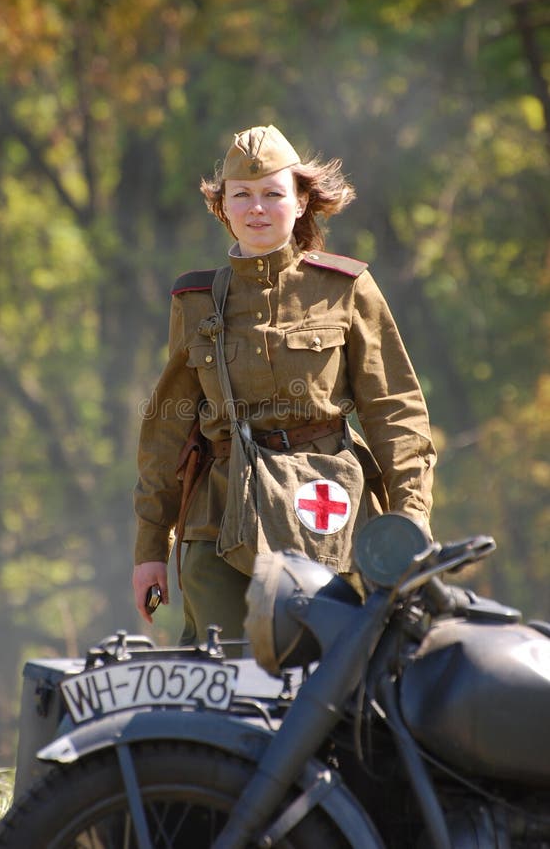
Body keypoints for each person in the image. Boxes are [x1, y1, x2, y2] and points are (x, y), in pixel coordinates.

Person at [133, 124, 436, 645]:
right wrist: (150, 550)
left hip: (327, 514)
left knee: (332, 670)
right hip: (220, 520)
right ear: (222, 207)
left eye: (273, 194)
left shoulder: (345, 288)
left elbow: (395, 412)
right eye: (241, 195)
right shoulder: (196, 302)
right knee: (223, 672)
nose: (257, 208)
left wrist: (411, 520)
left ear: (301, 202)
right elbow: (167, 430)